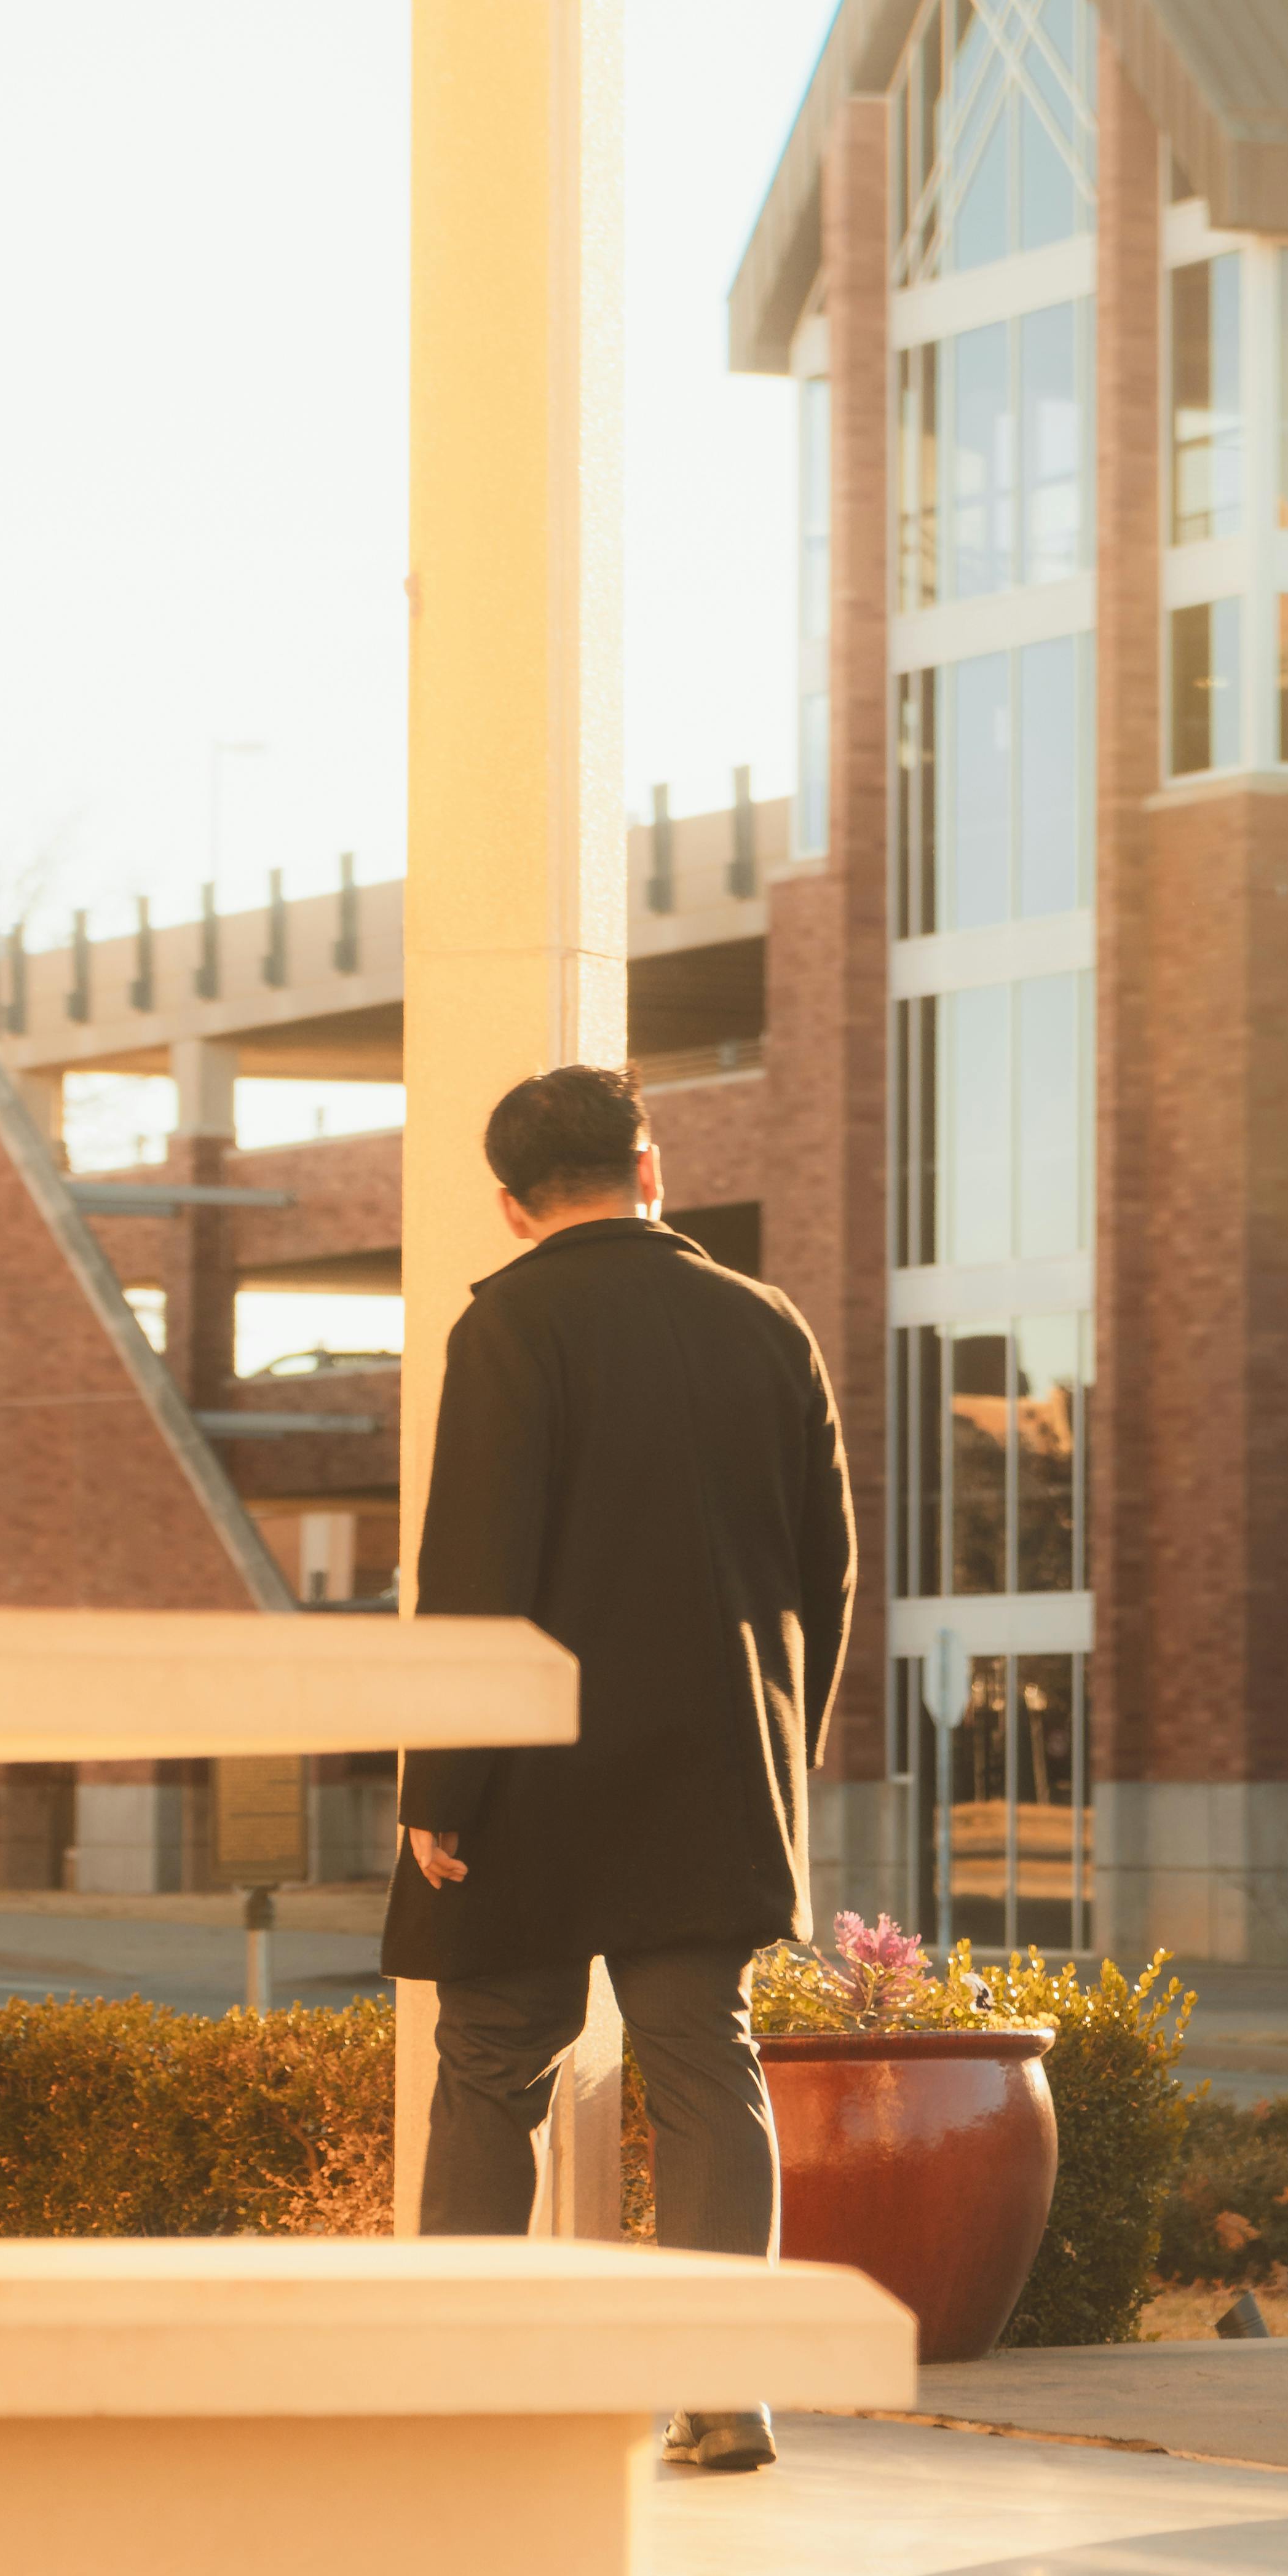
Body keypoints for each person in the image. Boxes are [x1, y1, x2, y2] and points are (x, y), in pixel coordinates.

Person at [384, 1059, 856, 2473]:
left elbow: (476, 1565)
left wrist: (440, 1789)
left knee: (489, 2065)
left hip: (532, 1768)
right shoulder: (765, 1323)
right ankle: (723, 2392)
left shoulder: (509, 1325)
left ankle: (467, 2393)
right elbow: (824, 1569)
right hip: (712, 1762)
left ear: (512, 1204)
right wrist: (781, 1753)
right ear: (650, 1170)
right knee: (704, 2058)